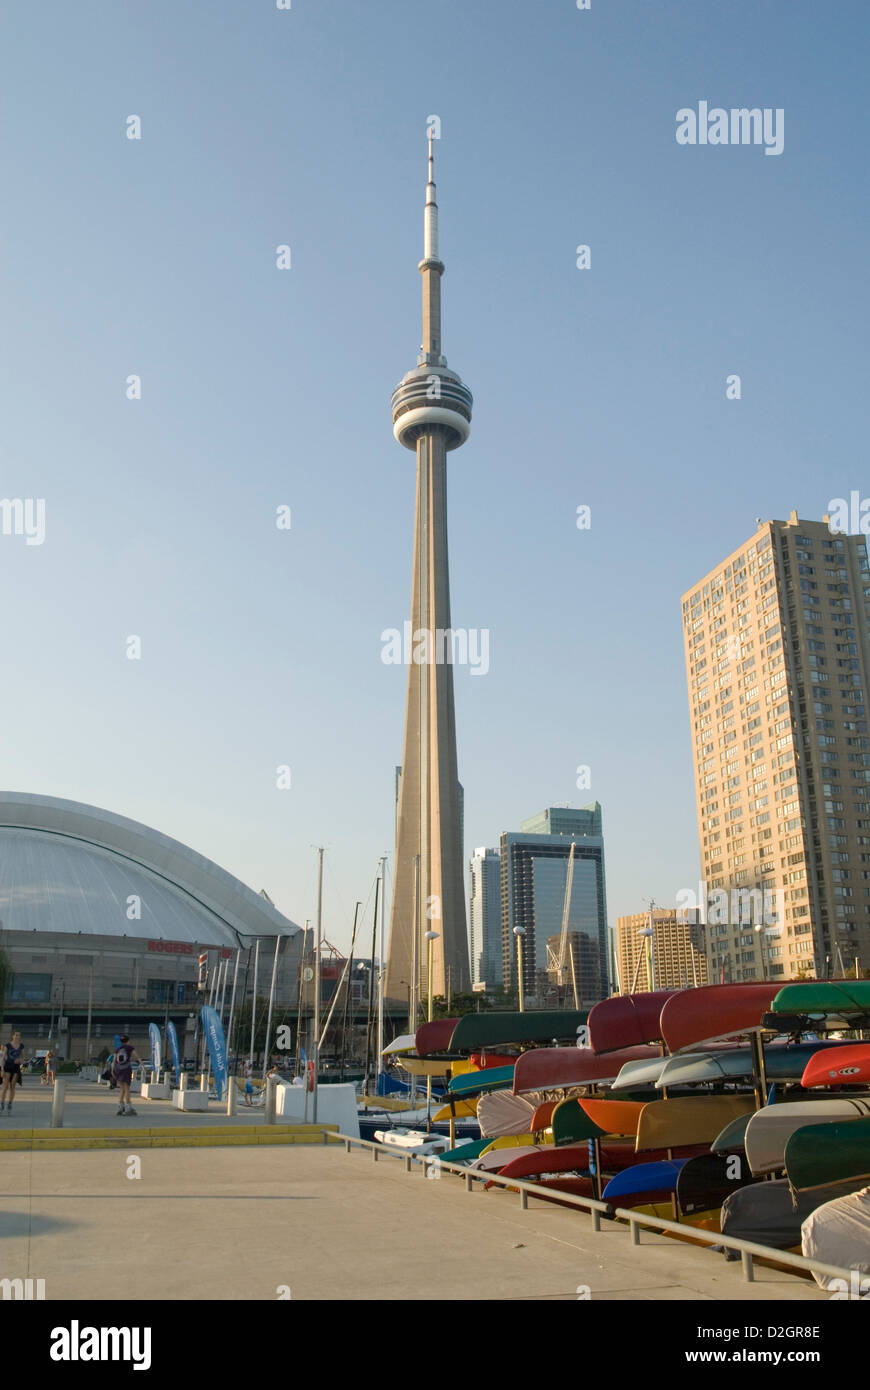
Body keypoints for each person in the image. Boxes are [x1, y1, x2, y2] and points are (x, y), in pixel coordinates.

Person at [112, 1035, 141, 1116]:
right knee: (127, 1088)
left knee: (122, 1089)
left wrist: (112, 1070)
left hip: (118, 1069)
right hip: (126, 1069)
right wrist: (142, 1065)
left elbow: (114, 1060)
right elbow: (137, 1056)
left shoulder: (118, 1049)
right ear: (128, 1041)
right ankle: (128, 1108)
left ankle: (120, 1107)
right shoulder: (129, 1048)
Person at [1, 1032, 25, 1113]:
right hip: (8, 1066)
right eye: (16, 1035)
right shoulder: (7, 1045)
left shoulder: (21, 1046)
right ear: (13, 1036)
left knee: (12, 1086)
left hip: (16, 1067)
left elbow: (23, 1057)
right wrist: (2, 1070)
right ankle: (2, 1103)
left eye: (19, 1035)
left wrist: (20, 1060)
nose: (17, 1036)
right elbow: (3, 1058)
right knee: (5, 1086)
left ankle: (10, 1103)